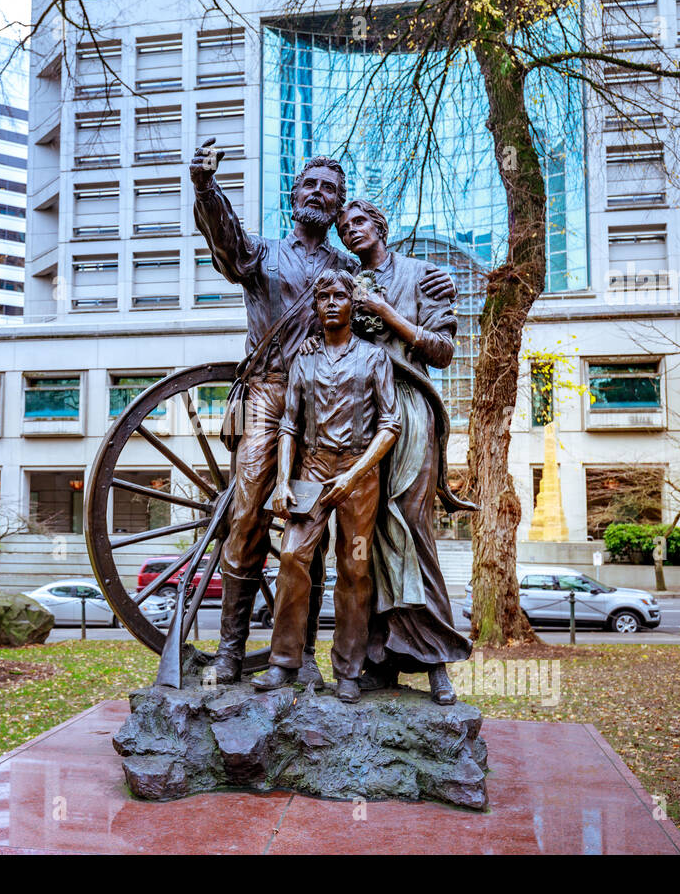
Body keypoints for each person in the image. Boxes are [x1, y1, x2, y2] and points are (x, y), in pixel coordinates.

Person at [191, 137, 358, 684]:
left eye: (329, 189)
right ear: (295, 195)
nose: (318, 193)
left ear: (338, 206)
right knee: (245, 518)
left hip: (326, 402)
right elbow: (227, 240)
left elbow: (384, 305)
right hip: (266, 393)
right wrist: (205, 186)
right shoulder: (261, 253)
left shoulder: (346, 268)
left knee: (313, 528)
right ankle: (231, 653)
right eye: (310, 184)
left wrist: (433, 286)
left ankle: (301, 655)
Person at [333, 199, 473, 705]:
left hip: (409, 407)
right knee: (361, 540)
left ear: (380, 226)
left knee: (412, 529)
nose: (351, 232)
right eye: (343, 227)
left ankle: (436, 660)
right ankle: (379, 659)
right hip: (358, 412)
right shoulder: (342, 283)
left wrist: (389, 315)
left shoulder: (421, 275)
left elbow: (442, 349)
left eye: (359, 222)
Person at [251, 269, 401, 703]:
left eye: (340, 295)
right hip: (311, 473)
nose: (332, 302)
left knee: (355, 568)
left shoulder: (374, 358)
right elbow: (288, 426)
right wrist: (282, 483)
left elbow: (389, 424)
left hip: (359, 476)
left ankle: (349, 671)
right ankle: (284, 661)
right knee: (294, 555)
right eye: (323, 297)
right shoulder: (305, 359)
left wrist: (354, 476)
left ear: (353, 303)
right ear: (315, 308)